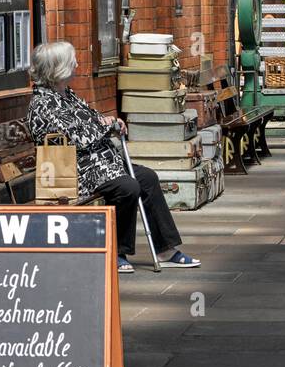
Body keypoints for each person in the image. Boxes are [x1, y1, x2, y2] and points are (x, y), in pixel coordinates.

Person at [26, 40, 199, 273]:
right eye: (72, 60)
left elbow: (94, 118)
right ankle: (116, 251)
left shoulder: (67, 94)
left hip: (103, 162)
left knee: (147, 177)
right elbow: (77, 138)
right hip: (78, 169)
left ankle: (165, 249)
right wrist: (106, 127)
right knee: (127, 187)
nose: (77, 64)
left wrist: (110, 121)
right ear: (59, 68)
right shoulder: (43, 104)